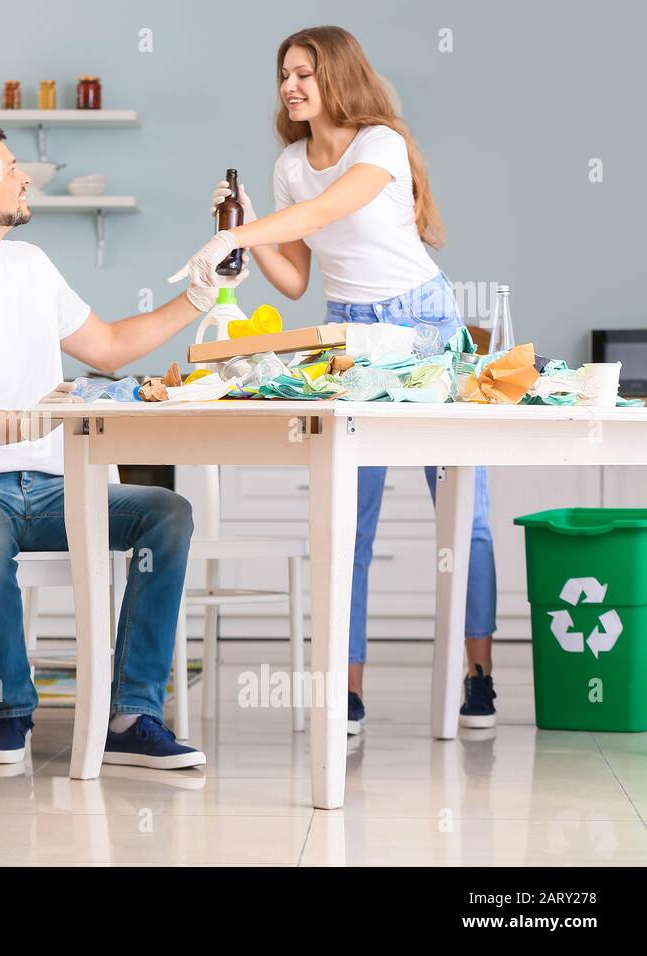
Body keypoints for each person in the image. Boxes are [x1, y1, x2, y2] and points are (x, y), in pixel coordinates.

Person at [170, 25, 498, 735]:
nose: (290, 85)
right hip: (349, 335)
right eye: (284, 73)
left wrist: (235, 236)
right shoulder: (290, 164)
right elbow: (293, 280)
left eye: (305, 74)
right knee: (348, 516)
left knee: (462, 514)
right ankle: (347, 691)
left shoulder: (380, 143)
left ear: (337, 78)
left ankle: (478, 674)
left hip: (425, 328)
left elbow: (328, 210)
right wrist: (252, 223)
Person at [0, 118, 243, 767]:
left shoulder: (31, 266)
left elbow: (106, 347)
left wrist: (200, 293)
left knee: (166, 513)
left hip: (52, 487)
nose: (24, 177)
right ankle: (9, 711)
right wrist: (54, 415)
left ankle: (132, 714)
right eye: (10, 166)